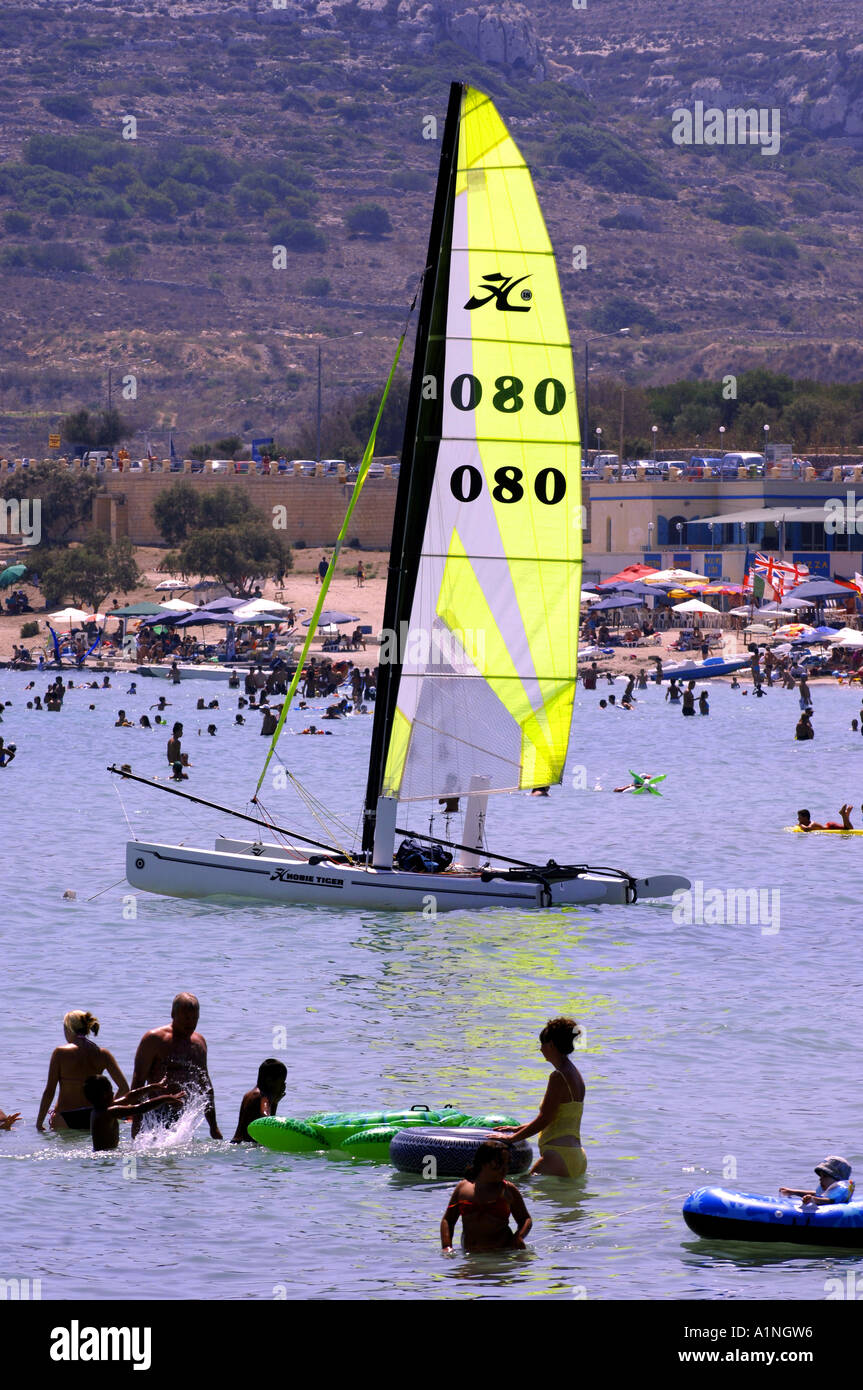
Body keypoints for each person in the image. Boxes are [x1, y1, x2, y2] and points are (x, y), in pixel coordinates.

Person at [494, 1017, 587, 1178]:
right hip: (576, 1157)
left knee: (517, 1191)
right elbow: (558, 1117)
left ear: (551, 1044)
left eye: (542, 1044)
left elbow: (545, 1118)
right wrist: (519, 1128)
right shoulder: (575, 1074)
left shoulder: (558, 1076)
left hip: (558, 1157)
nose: (540, 1049)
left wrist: (511, 1139)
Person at [130, 993, 222, 1139]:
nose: (190, 1023)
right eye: (186, 1018)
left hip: (183, 1115)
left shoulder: (199, 1043)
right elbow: (138, 1081)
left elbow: (205, 1084)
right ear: (173, 1014)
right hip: (154, 1111)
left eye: (194, 1018)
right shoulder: (154, 1040)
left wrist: (213, 1126)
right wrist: (136, 1122)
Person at [36, 1010, 129, 1132]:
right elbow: (124, 1088)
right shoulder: (102, 1054)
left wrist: (39, 1123)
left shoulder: (60, 1052)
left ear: (68, 1029)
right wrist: (106, 1109)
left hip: (64, 1117)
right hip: (93, 1116)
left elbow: (49, 1092)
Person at [440, 1141, 532, 1254]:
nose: (504, 1169)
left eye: (507, 1164)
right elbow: (448, 1220)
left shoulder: (507, 1189)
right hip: (470, 1254)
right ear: (483, 1162)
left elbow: (525, 1219)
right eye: (499, 1163)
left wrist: (519, 1237)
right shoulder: (463, 1188)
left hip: (502, 1254)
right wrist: (447, 1246)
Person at [83, 1075, 185, 1152]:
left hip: (103, 1155)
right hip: (106, 1156)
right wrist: (164, 1099)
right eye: (111, 1091)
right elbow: (140, 1108)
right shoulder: (109, 1112)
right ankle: (132, 1179)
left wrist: (150, 1087)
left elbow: (128, 1098)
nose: (114, 1093)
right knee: (131, 1166)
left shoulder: (99, 1109)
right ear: (105, 1095)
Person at [230, 1059, 288, 1143]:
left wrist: (275, 1103)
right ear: (269, 1081)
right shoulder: (263, 1097)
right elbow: (266, 1119)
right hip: (248, 1146)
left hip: (236, 1143)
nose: (283, 1085)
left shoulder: (249, 1095)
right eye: (282, 1081)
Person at [780, 1156, 854, 1205]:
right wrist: (792, 1192)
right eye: (820, 1175)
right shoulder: (829, 1187)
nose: (820, 1178)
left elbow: (830, 1201)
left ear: (837, 1180)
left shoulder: (840, 1190)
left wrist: (814, 1200)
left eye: (825, 1176)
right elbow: (818, 1194)